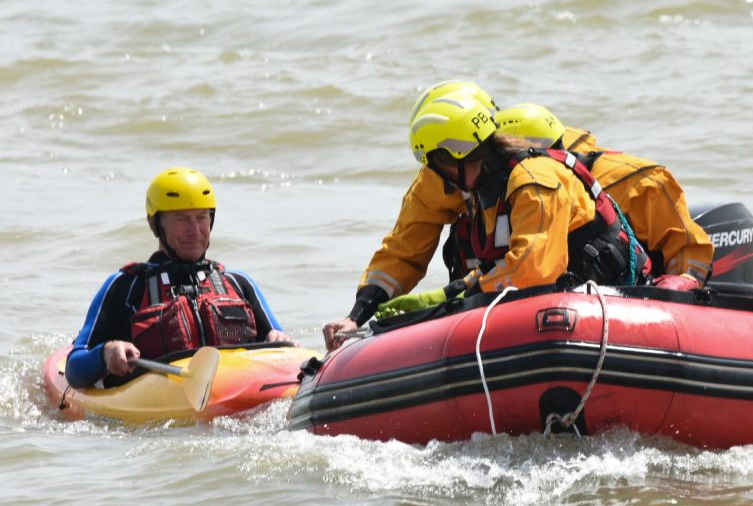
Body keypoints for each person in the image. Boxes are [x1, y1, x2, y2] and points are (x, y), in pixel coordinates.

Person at [323, 94, 650, 349]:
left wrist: (450, 297)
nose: (440, 177)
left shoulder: (534, 180)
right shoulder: (484, 190)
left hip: (598, 303)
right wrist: (357, 317)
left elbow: (534, 270)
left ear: (455, 156)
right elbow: (402, 252)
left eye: (439, 164)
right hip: (551, 303)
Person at [65, 167, 293, 389]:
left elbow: (284, 348)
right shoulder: (126, 286)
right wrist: (105, 352)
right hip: (159, 407)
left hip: (238, 393)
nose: (194, 231)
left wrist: (277, 340)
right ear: (155, 223)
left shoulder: (239, 284)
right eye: (181, 219)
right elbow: (74, 369)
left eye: (202, 217)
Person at [492, 103, 714, 285]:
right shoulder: (508, 190)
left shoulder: (638, 183)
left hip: (644, 292)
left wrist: (685, 280)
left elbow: (690, 247)